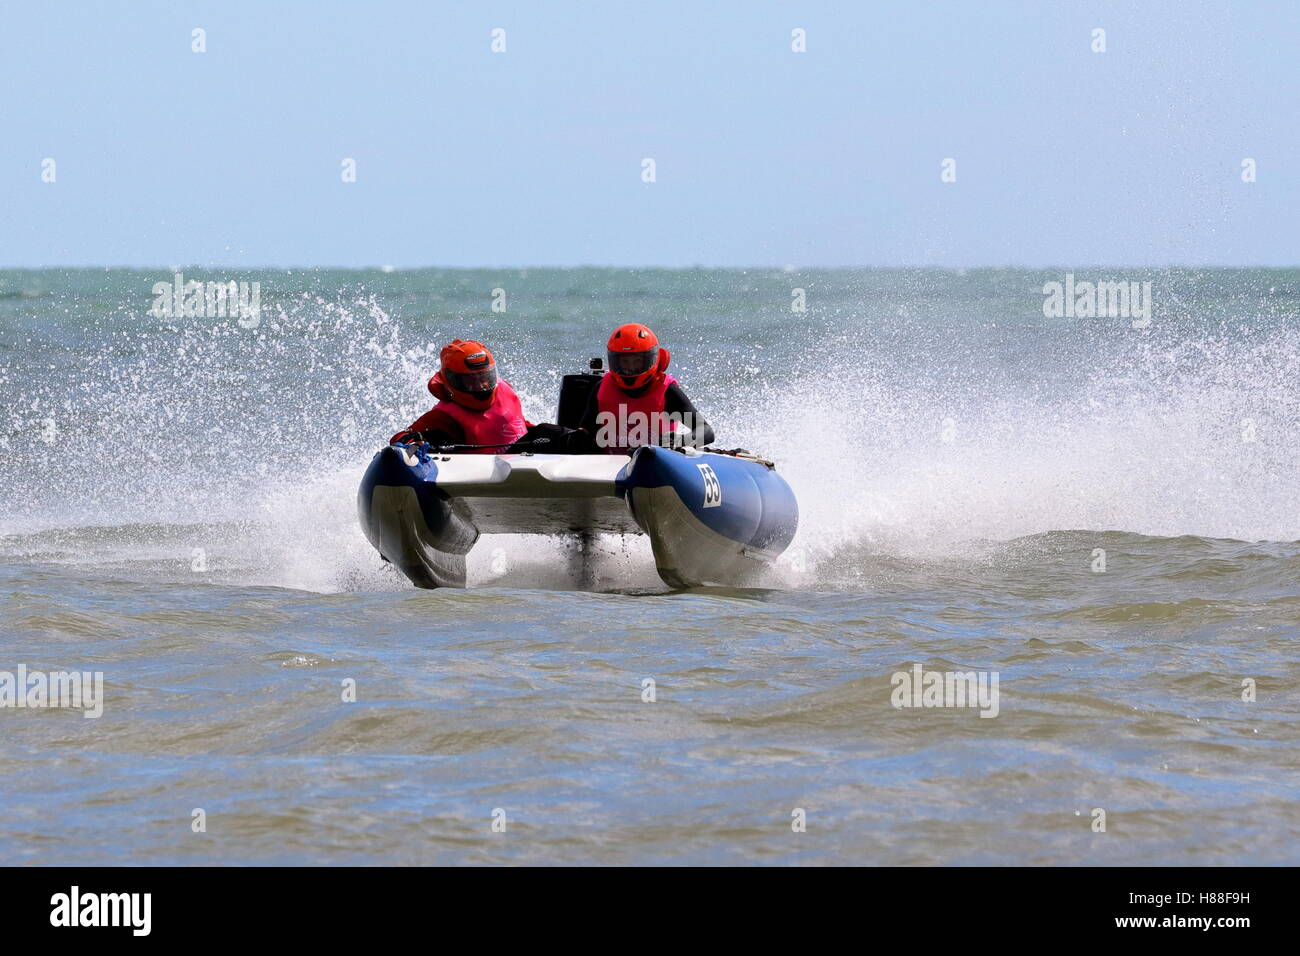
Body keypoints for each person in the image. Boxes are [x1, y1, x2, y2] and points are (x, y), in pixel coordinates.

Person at [578, 323, 714, 454]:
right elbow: (585, 432)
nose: (630, 368)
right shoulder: (602, 388)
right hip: (607, 467)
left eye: (637, 361)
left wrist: (680, 440)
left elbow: (706, 431)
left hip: (654, 464)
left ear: (651, 359)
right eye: (624, 362)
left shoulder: (667, 390)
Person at [390, 339, 530, 451]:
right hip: (478, 474)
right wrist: (415, 441)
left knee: (546, 431)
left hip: (523, 458)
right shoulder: (444, 415)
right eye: (471, 381)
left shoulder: (504, 390)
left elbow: (520, 425)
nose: (481, 386)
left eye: (484, 378)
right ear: (451, 381)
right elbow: (400, 439)